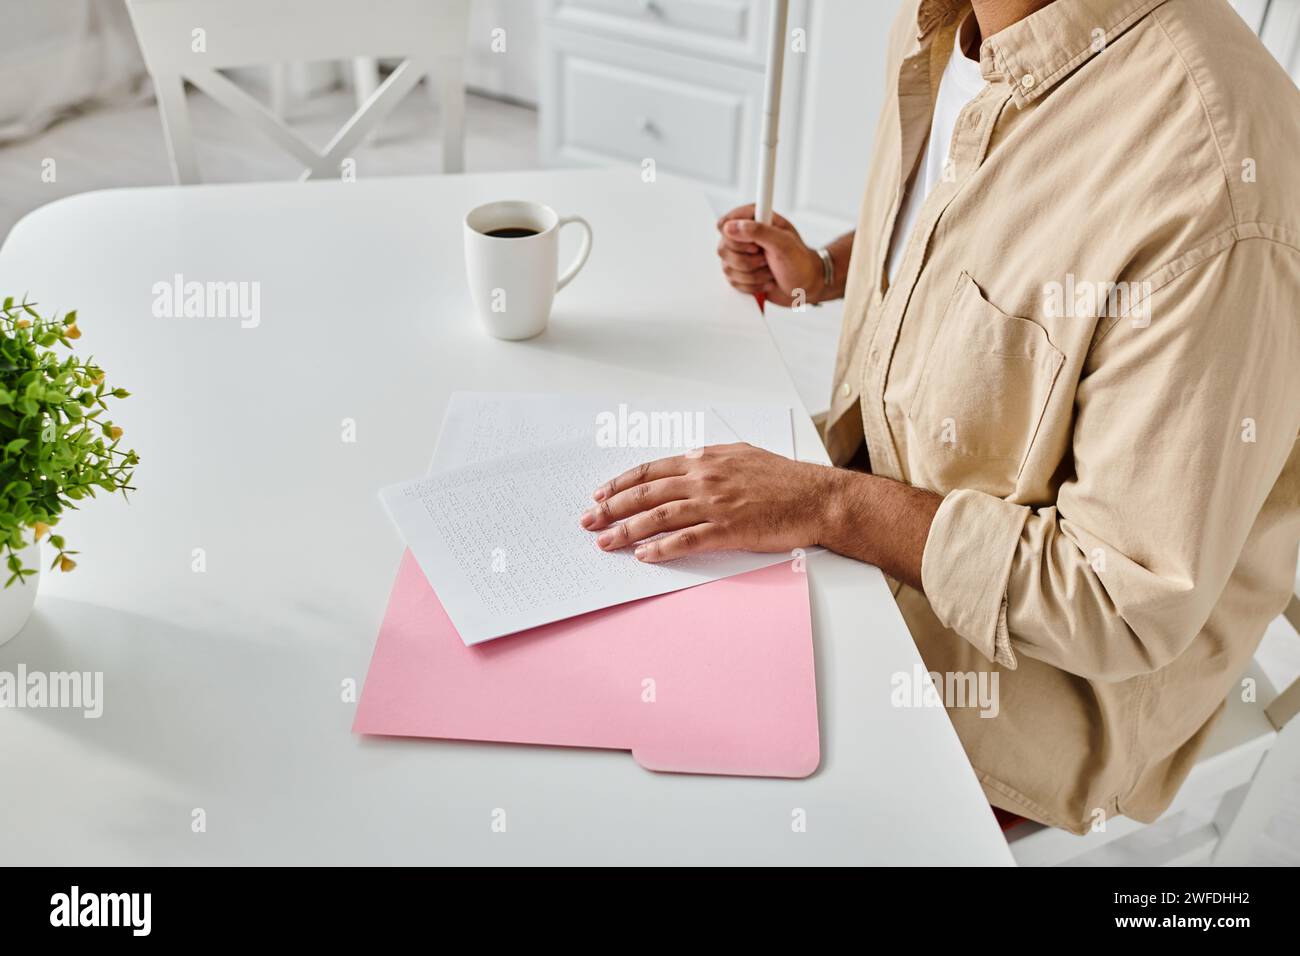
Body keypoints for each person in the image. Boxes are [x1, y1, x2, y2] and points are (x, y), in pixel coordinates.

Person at [581, 0, 1300, 833]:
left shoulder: (1213, 172)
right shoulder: (940, 28)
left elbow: (1119, 604)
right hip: (874, 511)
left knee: (690, 815)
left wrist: (830, 507)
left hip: (1042, 691)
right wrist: (823, 270)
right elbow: (975, 229)